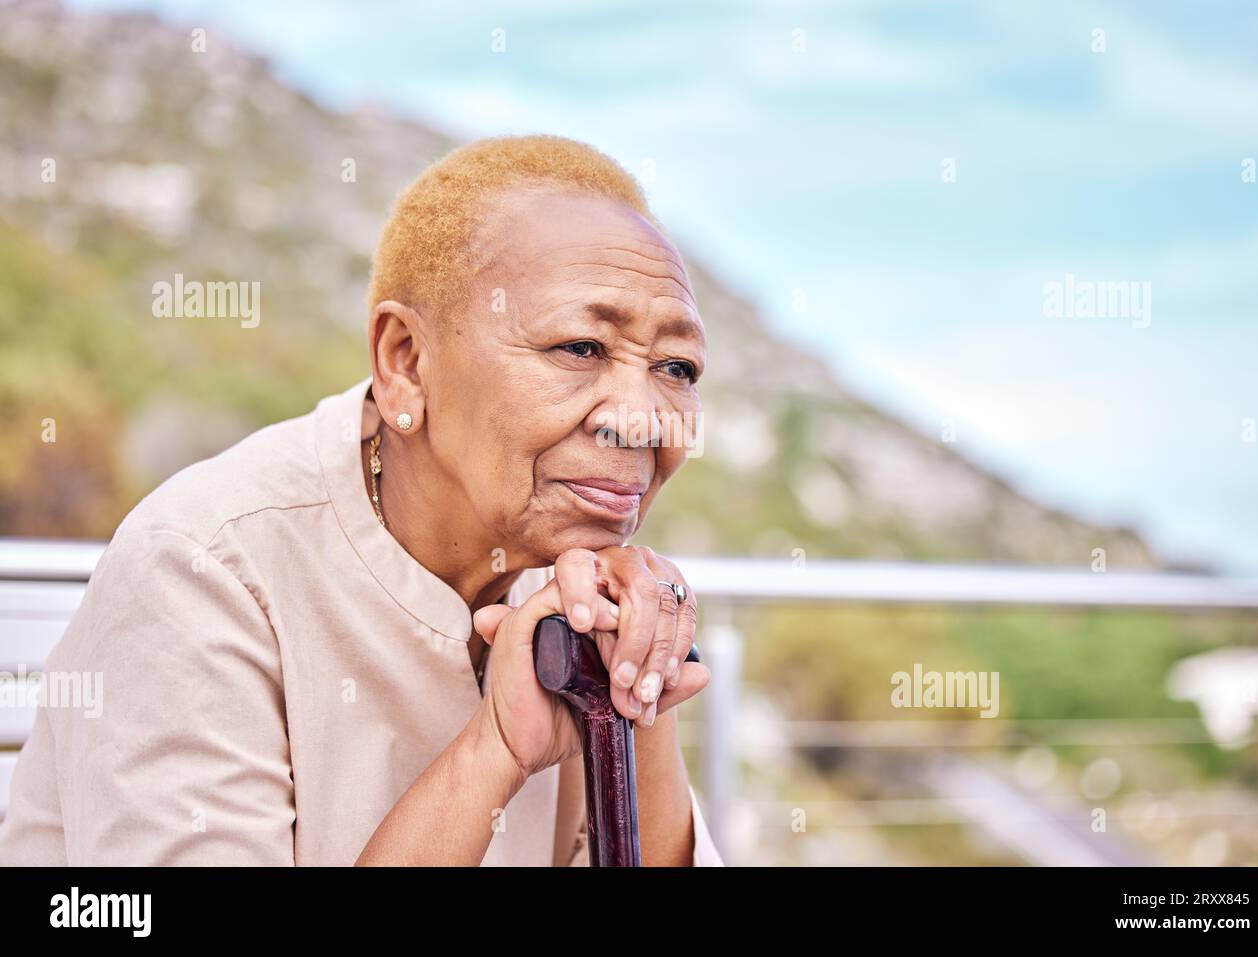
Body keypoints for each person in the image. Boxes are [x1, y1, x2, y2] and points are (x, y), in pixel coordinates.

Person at [0, 134, 720, 866]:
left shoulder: (567, 581)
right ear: (406, 363)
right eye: (579, 348)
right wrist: (492, 752)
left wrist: (635, 688)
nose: (643, 417)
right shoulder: (199, 569)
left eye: (675, 365)